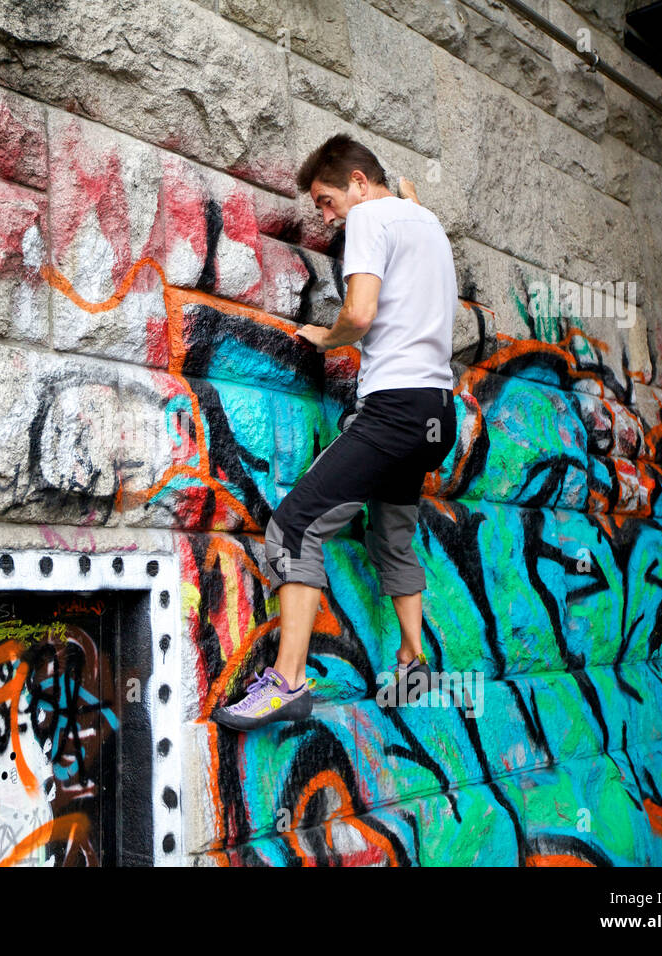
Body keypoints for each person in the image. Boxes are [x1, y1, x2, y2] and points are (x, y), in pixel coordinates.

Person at [211, 134, 458, 731]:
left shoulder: (370, 215)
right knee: (390, 541)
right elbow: (408, 211)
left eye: (326, 201)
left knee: (294, 524)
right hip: (437, 416)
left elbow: (362, 312)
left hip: (395, 408)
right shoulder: (426, 224)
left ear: (357, 182)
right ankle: (412, 659)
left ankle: (287, 683)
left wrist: (330, 336)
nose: (325, 218)